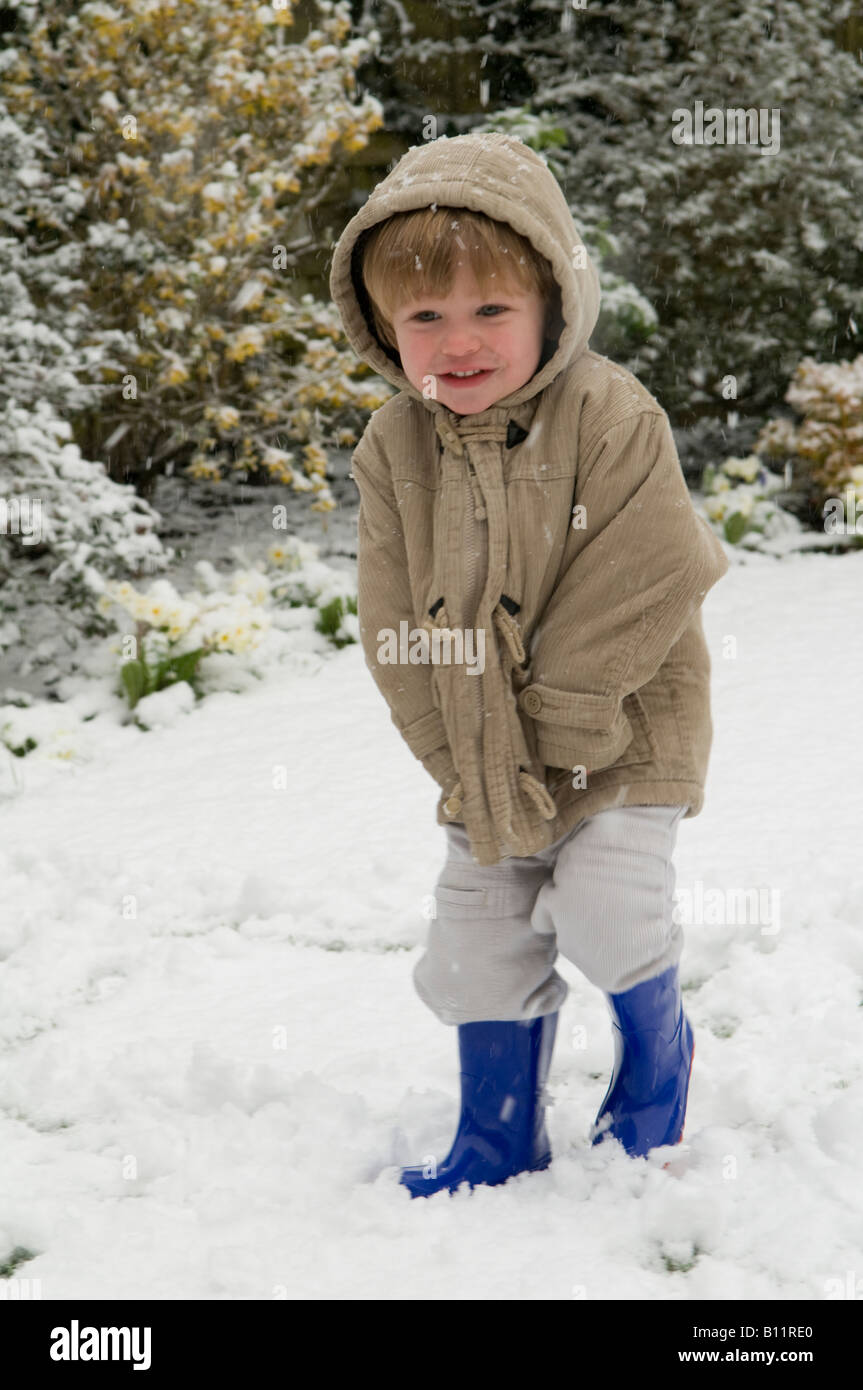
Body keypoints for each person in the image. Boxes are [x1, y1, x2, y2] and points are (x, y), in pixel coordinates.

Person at [328, 133, 729, 1198]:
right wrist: (452, 752)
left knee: (604, 907)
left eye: (490, 310)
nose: (457, 342)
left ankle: (658, 1062)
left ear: (552, 302)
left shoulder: (609, 414)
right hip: (481, 749)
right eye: (425, 317)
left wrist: (557, 723)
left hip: (624, 729)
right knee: (473, 942)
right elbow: (390, 621)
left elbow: (648, 571)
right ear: (382, 327)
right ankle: (496, 1132)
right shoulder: (391, 449)